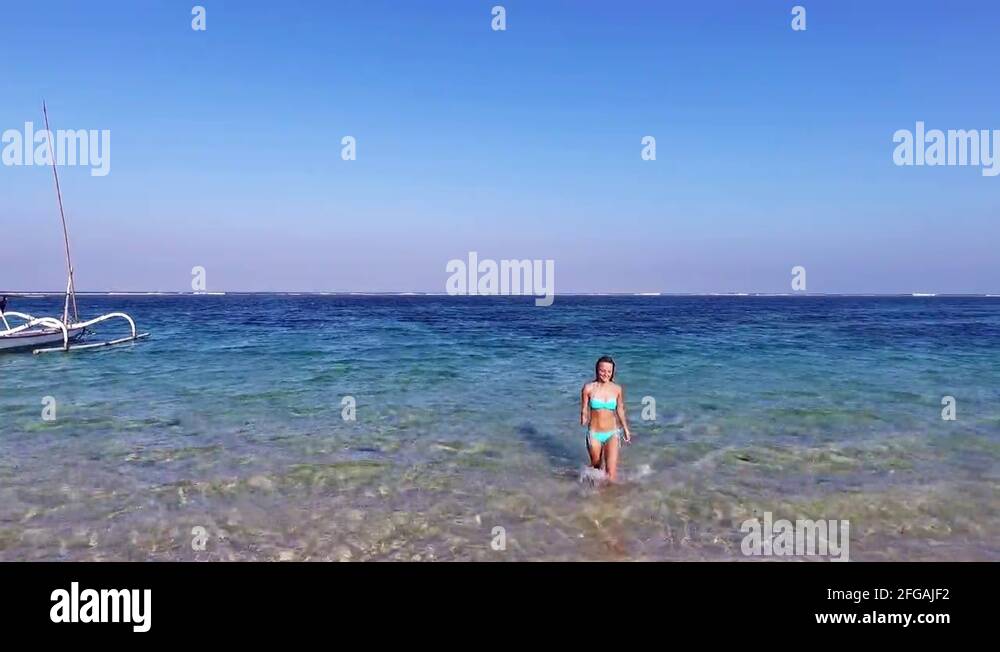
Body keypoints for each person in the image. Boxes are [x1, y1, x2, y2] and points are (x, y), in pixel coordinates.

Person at [580, 355, 632, 481]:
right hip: (594, 433)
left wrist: (625, 428)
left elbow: (620, 409)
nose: (606, 374)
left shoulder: (617, 389)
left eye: (609, 371)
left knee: (611, 474)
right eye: (602, 370)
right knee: (596, 467)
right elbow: (584, 408)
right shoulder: (588, 388)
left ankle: (609, 493)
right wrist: (583, 416)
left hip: (612, 433)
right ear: (597, 370)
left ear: (613, 372)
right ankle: (586, 481)